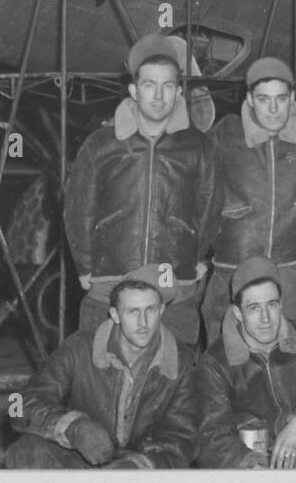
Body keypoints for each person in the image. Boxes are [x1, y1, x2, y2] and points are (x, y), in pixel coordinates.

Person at [64, 33, 221, 347]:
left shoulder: (200, 147)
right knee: (100, 379)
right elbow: (78, 209)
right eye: (149, 85)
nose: (159, 96)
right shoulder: (101, 144)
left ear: (179, 91)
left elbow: (210, 208)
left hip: (173, 281)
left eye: (167, 86)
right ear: (134, 90)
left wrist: (194, 259)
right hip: (111, 279)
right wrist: (85, 266)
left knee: (174, 380)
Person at [5, 264, 199, 469]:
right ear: (115, 315)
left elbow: (183, 437)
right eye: (133, 311)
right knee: (26, 450)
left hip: (141, 469)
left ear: (161, 311)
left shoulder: (181, 360)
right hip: (81, 457)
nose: (143, 323)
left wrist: (139, 465)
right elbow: (18, 405)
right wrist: (73, 427)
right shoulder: (80, 347)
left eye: (150, 310)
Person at [204, 57, 296, 341]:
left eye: (281, 98)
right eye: (263, 99)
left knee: (292, 355)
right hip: (233, 267)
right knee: (225, 358)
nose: (273, 109)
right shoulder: (224, 136)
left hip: (291, 268)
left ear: (292, 97)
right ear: (249, 99)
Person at [195, 257, 296, 469]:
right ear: (238, 313)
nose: (266, 318)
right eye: (254, 308)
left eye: (272, 305)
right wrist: (253, 465)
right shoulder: (215, 362)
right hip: (248, 454)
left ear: (281, 305)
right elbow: (211, 433)